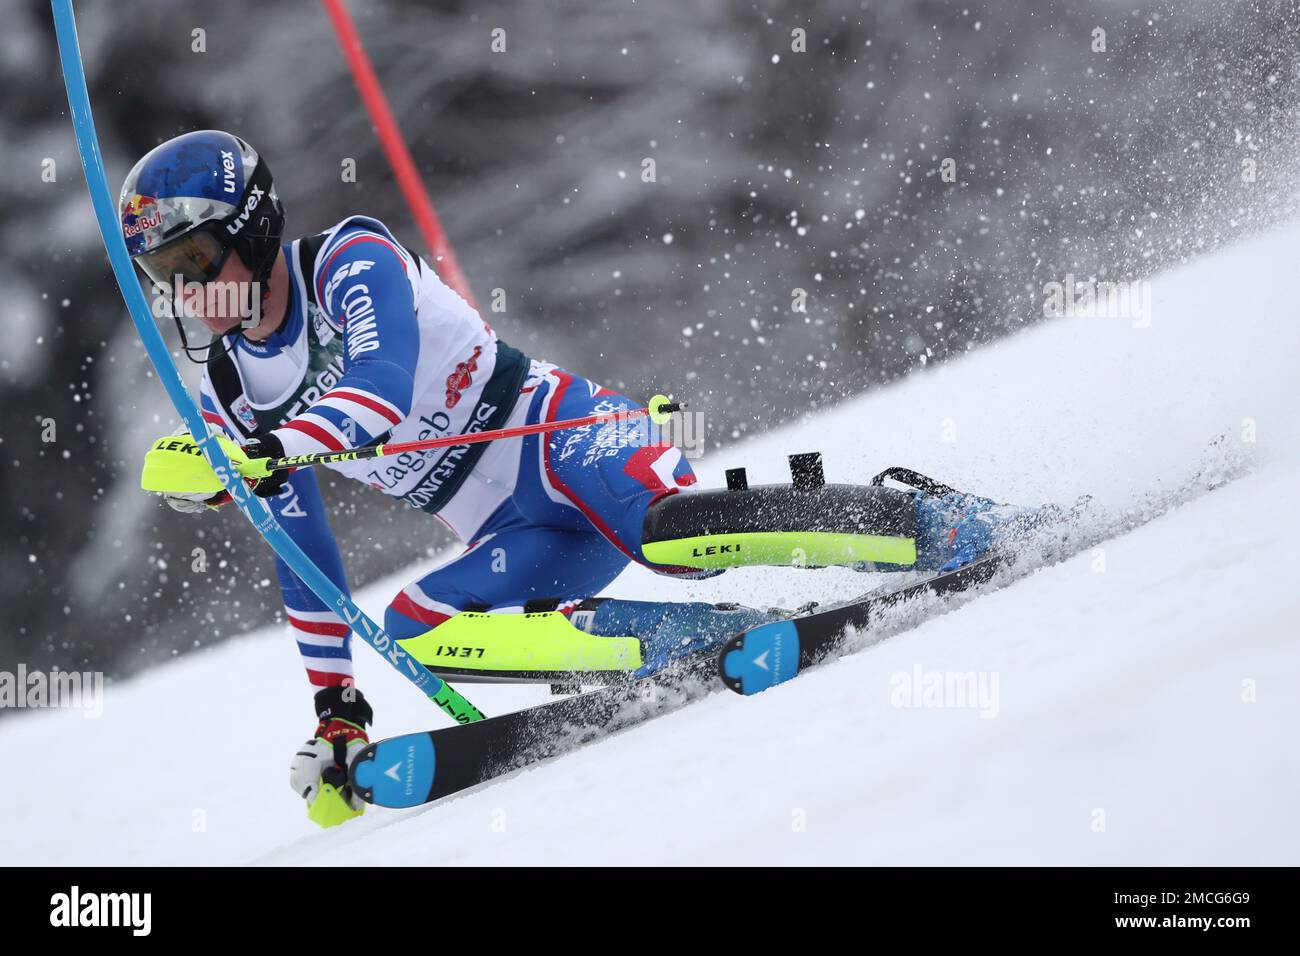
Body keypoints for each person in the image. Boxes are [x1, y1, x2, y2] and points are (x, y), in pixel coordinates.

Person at [123, 130, 1049, 826]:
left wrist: (272, 449)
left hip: (562, 437)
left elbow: (377, 381)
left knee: (677, 539)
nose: (190, 291)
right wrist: (338, 709)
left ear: (253, 228)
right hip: (505, 529)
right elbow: (304, 557)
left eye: (197, 260)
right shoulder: (231, 384)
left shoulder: (348, 262)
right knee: (417, 630)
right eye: (167, 275)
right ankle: (712, 643)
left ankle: (927, 522)